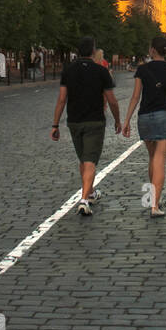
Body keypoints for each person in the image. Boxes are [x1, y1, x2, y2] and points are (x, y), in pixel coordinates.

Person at [52, 36, 120, 218]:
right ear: (93, 51)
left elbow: (61, 99)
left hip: (74, 121)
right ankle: (84, 200)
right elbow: (112, 100)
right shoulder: (101, 71)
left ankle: (89, 192)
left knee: (83, 158)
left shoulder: (68, 71)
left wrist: (55, 124)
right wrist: (118, 120)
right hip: (95, 121)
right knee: (90, 159)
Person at [122, 35, 166, 218]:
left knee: (152, 158)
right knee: (160, 159)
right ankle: (155, 205)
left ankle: (152, 199)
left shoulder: (142, 70)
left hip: (145, 118)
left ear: (152, 50)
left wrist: (126, 121)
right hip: (165, 116)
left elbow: (135, 97)